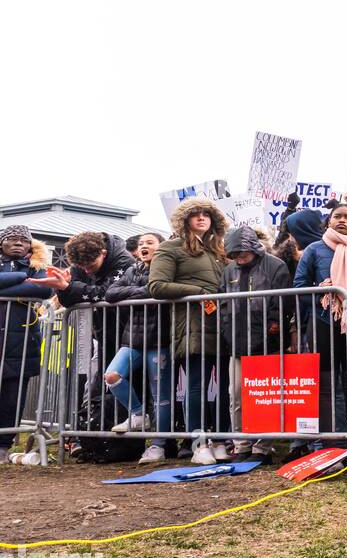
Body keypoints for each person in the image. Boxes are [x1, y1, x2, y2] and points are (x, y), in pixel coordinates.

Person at [147, 196, 231, 464]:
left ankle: (219, 440)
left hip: (223, 324)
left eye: (206, 214)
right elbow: (157, 286)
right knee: (197, 385)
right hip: (192, 325)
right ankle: (197, 443)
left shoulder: (220, 250)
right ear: (185, 220)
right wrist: (199, 293)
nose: (202, 218)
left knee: (225, 386)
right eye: (195, 214)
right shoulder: (171, 248)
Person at [31, 230, 136, 433]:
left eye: (91, 266)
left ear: (103, 253)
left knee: (123, 377)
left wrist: (70, 286)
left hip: (130, 329)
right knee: (100, 381)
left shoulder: (124, 260)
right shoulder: (79, 264)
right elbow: (71, 299)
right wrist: (64, 288)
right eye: (82, 267)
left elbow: (108, 294)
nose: (87, 271)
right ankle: (95, 430)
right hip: (102, 330)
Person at [294, 196, 347, 453]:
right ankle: (332, 443)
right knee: (328, 385)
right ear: (328, 221)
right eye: (337, 216)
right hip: (322, 326)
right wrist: (320, 290)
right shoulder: (314, 250)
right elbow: (298, 287)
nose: (341, 220)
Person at [222, 225, 292, 464]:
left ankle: (263, 446)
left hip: (267, 343)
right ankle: (241, 444)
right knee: (237, 395)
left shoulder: (275, 266)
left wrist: (273, 326)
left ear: (253, 247)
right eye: (234, 254)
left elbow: (282, 303)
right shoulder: (229, 270)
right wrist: (226, 330)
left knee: (265, 397)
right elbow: (223, 303)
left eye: (242, 252)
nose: (239, 257)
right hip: (237, 342)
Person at [103, 231, 172, 463]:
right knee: (112, 376)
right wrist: (140, 293)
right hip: (132, 339)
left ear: (161, 247)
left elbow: (159, 289)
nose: (144, 246)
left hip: (160, 340)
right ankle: (137, 413)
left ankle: (158, 445)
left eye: (150, 243)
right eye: (141, 243)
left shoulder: (167, 266)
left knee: (160, 396)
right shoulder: (133, 270)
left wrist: (138, 293)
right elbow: (111, 293)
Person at [0, 226, 52, 443]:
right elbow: (31, 286)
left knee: (13, 398)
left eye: (24, 240)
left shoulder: (37, 265)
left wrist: (11, 279)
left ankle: (3, 445)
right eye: (12, 239)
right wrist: (22, 279)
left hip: (21, 342)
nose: (19, 243)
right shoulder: (27, 271)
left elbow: (44, 290)